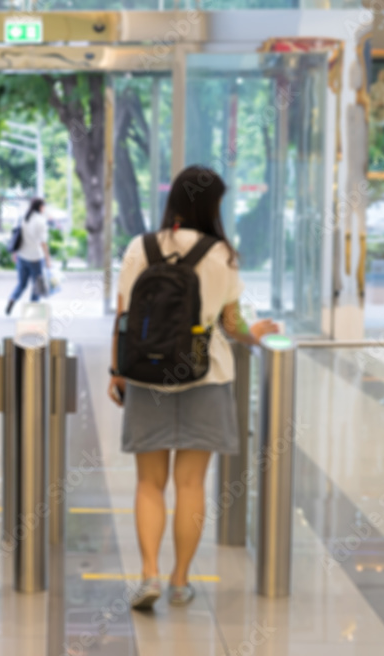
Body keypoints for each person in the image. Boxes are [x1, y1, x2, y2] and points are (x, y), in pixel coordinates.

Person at [109, 166, 278, 610]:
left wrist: (117, 372)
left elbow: (123, 316)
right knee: (190, 483)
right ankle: (179, 580)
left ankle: (148, 573)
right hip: (206, 375)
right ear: (210, 205)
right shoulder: (221, 254)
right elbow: (232, 323)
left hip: (147, 374)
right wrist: (256, 332)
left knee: (149, 482)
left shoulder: (138, 248)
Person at [6, 198, 52, 315]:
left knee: (21, 284)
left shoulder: (23, 218)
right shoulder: (40, 221)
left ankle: (12, 299)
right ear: (41, 207)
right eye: (44, 206)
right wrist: (48, 259)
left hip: (22, 256)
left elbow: (16, 237)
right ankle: (32, 311)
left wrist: (14, 253)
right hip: (36, 258)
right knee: (37, 286)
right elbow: (43, 243)